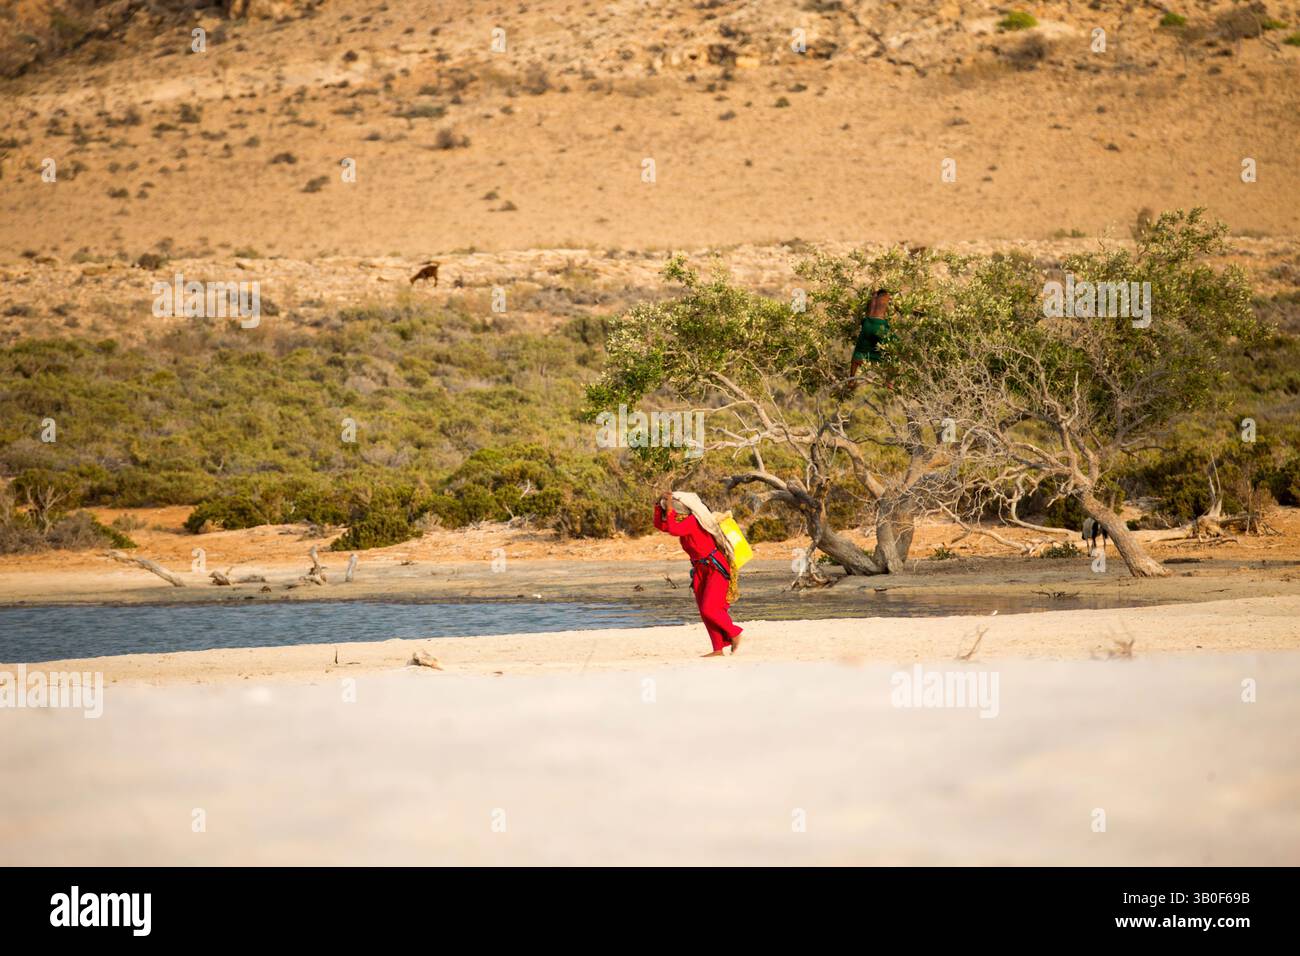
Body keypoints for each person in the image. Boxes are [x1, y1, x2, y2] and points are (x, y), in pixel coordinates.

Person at [654, 489, 744, 657]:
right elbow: (661, 525)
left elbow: (673, 529)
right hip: (700, 569)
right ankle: (718, 649)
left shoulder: (694, 521)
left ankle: (735, 633)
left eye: (672, 507)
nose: (670, 510)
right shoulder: (682, 522)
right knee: (705, 611)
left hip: (715, 567)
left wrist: (669, 511)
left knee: (710, 608)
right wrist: (657, 507)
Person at [849, 288, 892, 378]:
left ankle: (851, 378)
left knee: (859, 351)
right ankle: (889, 380)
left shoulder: (873, 298)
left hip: (867, 324)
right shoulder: (886, 296)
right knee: (894, 349)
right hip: (879, 325)